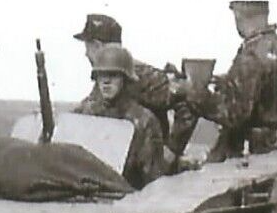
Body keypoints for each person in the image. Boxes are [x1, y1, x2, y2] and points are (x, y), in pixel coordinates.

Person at [72, 13, 198, 167]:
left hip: (146, 164)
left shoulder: (141, 76)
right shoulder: (105, 79)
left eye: (88, 46)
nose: (86, 53)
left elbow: (189, 101)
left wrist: (171, 150)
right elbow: (91, 106)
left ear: (98, 46)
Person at [188, 0, 277, 162]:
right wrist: (227, 82)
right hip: (271, 148)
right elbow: (268, 87)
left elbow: (233, 114)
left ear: (239, 13)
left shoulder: (252, 54)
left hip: (246, 154)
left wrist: (195, 94)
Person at [74, 44, 166, 189]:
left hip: (126, 199)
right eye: (101, 75)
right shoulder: (82, 114)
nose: (106, 81)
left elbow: (154, 183)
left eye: (113, 75)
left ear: (126, 79)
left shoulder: (144, 122)